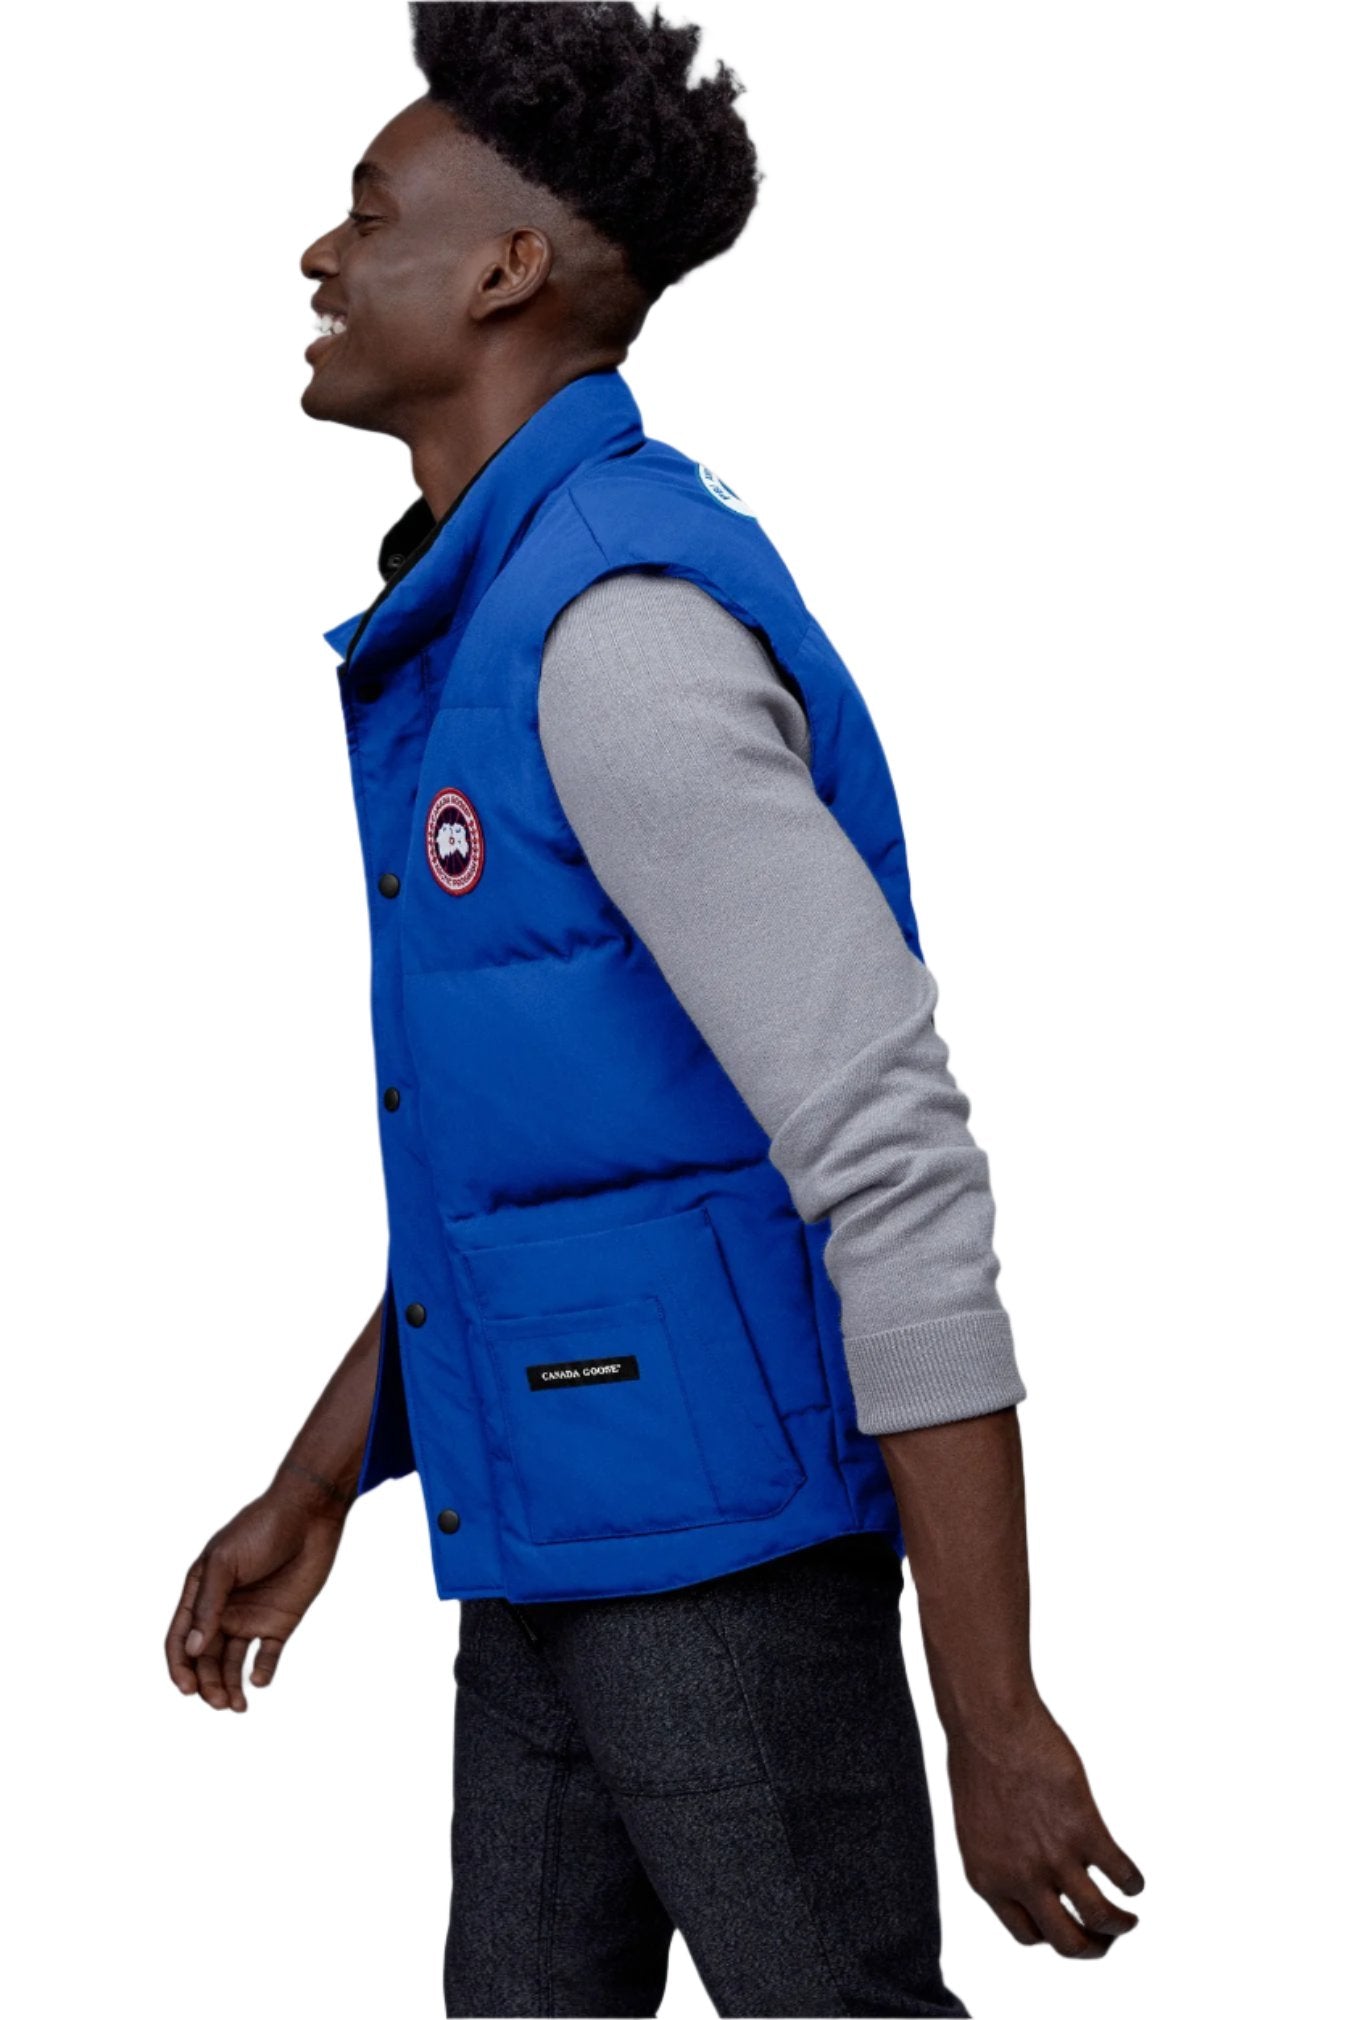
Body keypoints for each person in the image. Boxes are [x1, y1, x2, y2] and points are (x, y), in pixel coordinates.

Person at [164, 7, 1144, 2015]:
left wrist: (992, 1707)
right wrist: (322, 1473)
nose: (321, 256)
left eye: (370, 213)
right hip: (548, 1539)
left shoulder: (613, 635)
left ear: (506, 272)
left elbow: (890, 1152)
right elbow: (557, 1183)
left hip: (721, 1575)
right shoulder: (485, 623)